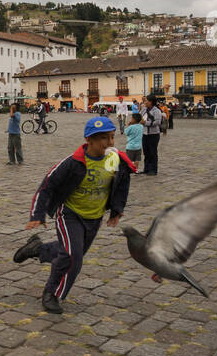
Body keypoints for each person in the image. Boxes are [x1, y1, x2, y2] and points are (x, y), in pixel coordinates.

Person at [12, 116, 135, 314]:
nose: (110, 142)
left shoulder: (115, 159)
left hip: (94, 217)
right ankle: (52, 293)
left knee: (68, 253)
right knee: (72, 257)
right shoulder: (73, 162)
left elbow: (121, 184)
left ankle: (38, 249)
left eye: (112, 137)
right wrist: (37, 214)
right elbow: (46, 187)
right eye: (104, 138)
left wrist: (117, 210)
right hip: (69, 214)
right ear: (89, 140)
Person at [141, 96, 165, 175]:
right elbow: (140, 117)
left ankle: (153, 170)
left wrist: (146, 123)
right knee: (146, 152)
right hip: (145, 133)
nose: (145, 102)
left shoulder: (156, 111)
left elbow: (157, 122)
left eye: (146, 100)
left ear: (151, 102)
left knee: (152, 152)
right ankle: (146, 168)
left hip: (153, 134)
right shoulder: (144, 109)